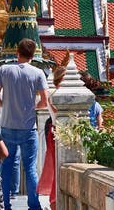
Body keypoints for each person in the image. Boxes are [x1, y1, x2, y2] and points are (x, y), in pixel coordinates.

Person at [0, 39, 48, 210]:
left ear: (17, 52)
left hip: (7, 126)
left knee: (6, 168)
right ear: (33, 55)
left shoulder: (4, 70)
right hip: (28, 128)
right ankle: (34, 205)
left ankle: (5, 205)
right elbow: (44, 102)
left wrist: (5, 105)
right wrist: (32, 107)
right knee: (30, 169)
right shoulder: (38, 73)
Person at [37, 66, 66, 210]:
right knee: (57, 169)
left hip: (59, 133)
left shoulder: (56, 94)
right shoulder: (55, 95)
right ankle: (54, 201)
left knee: (59, 169)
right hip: (58, 133)